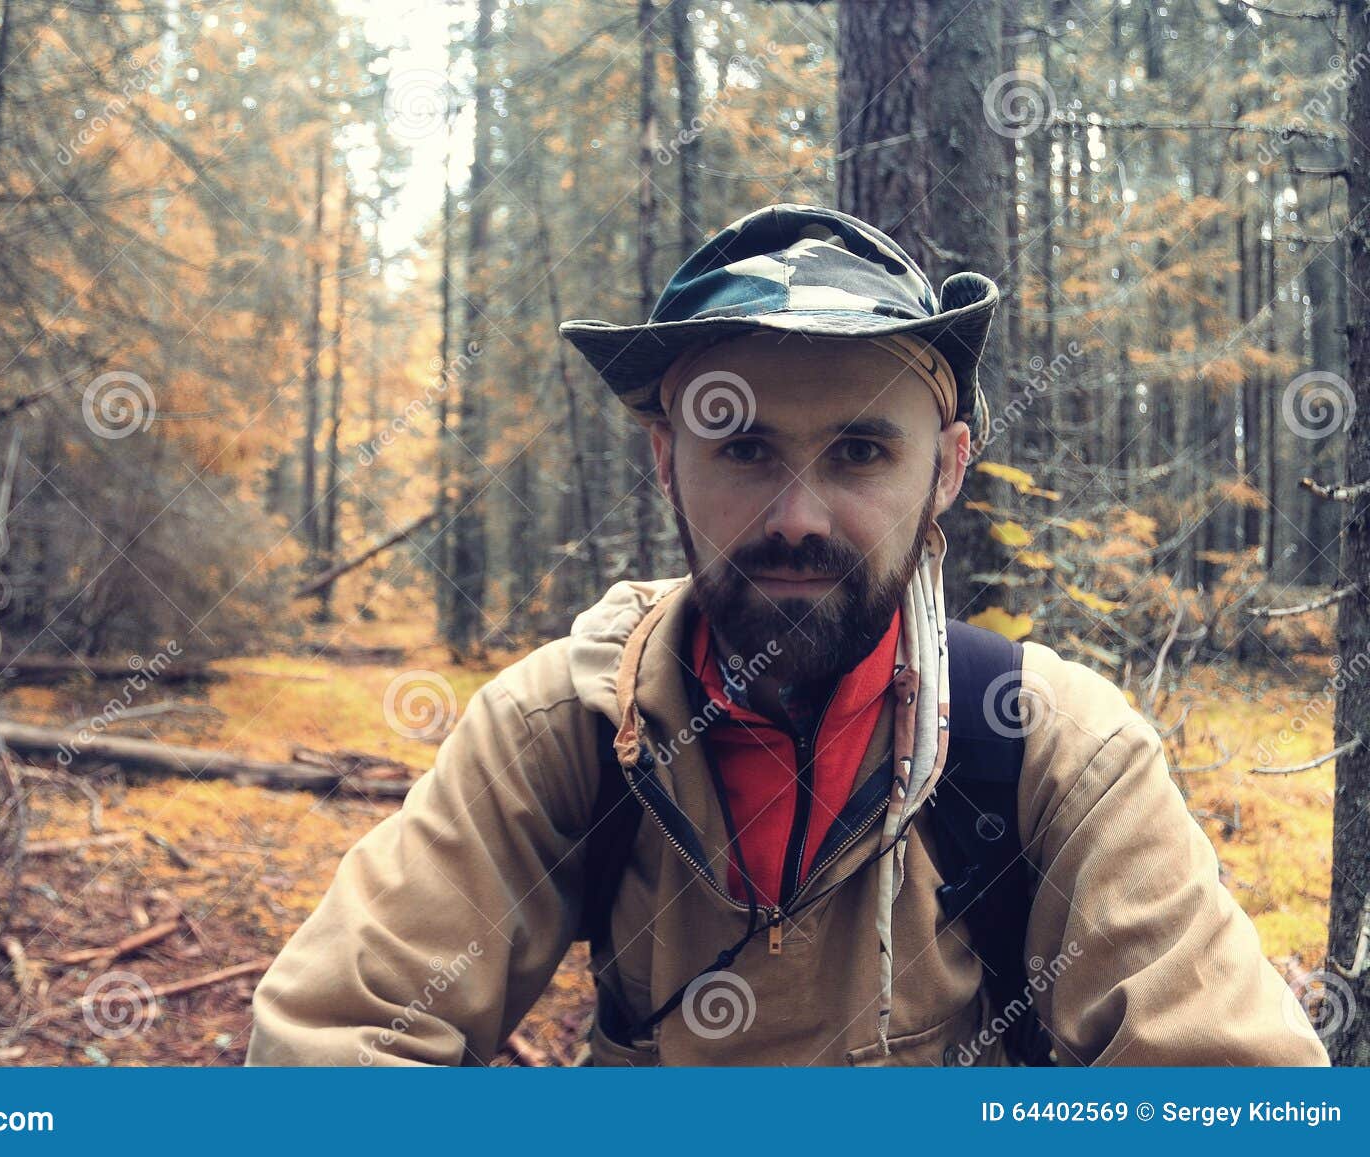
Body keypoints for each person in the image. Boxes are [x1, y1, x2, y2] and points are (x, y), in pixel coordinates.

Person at [245, 204, 1330, 1066]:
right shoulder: (564, 731)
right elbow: (327, 1048)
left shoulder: (1047, 749)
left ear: (943, 469)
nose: (798, 517)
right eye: (743, 447)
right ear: (669, 463)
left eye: (860, 452)